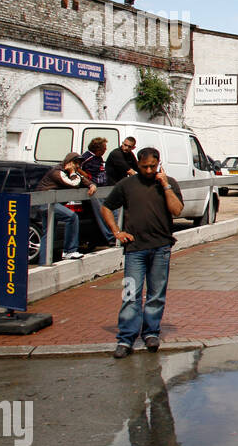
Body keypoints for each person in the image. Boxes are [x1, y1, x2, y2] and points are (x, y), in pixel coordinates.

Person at [101, 147, 184, 358]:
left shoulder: (169, 183)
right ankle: (126, 338)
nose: (148, 170)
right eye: (144, 166)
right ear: (137, 164)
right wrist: (117, 232)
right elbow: (106, 207)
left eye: (152, 166)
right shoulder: (126, 185)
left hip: (161, 247)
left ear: (158, 164)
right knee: (131, 295)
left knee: (156, 294)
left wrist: (165, 184)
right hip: (135, 249)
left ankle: (151, 333)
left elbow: (177, 210)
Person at [35, 153, 96, 262]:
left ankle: (43, 262)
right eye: (76, 163)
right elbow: (73, 183)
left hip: (51, 204)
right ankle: (69, 251)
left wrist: (91, 185)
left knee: (48, 233)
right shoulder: (57, 172)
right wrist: (72, 173)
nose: (77, 166)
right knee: (71, 217)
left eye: (79, 164)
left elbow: (82, 179)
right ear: (69, 162)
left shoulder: (70, 172)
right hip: (46, 203)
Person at [78, 137, 117, 248]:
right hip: (94, 191)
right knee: (102, 213)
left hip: (103, 189)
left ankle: (115, 233)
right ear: (98, 149)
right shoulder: (86, 157)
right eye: (104, 148)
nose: (106, 150)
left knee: (113, 211)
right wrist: (87, 177)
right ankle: (110, 238)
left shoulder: (98, 158)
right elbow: (76, 167)